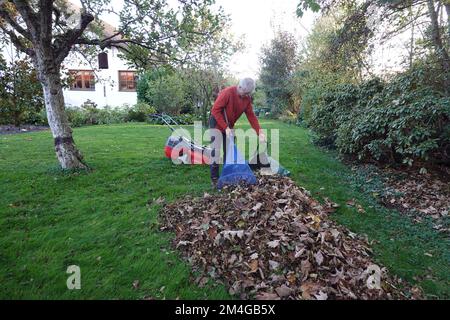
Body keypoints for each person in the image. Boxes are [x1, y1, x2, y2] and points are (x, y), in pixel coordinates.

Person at [209, 78, 266, 187]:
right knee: (215, 151)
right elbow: (215, 110)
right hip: (217, 122)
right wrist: (225, 127)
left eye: (248, 94)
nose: (246, 96)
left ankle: (227, 173)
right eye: (245, 93)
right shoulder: (227, 93)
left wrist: (260, 132)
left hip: (229, 124)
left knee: (229, 150)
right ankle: (214, 178)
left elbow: (251, 116)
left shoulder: (247, 98)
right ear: (239, 87)